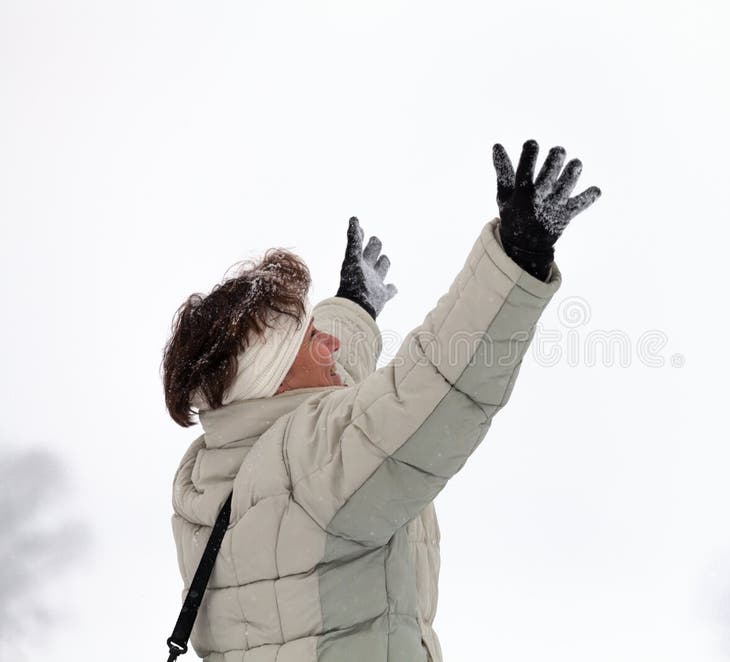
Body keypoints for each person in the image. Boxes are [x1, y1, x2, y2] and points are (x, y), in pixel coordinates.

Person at [164, 140, 601, 661]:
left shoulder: (210, 475)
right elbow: (433, 387)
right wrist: (513, 264)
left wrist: (353, 307)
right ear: (271, 379)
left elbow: (326, 412)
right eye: (311, 337)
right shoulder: (309, 464)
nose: (331, 343)